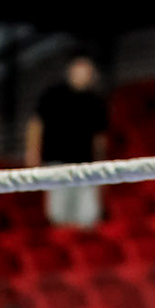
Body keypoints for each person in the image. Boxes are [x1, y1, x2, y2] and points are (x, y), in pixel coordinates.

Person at [26, 52, 109, 227]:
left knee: (88, 215)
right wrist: (32, 152)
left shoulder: (96, 101)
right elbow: (36, 125)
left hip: (86, 166)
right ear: (70, 71)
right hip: (58, 163)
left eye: (87, 71)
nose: (83, 75)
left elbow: (99, 138)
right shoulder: (53, 95)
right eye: (79, 70)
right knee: (59, 213)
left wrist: (101, 165)